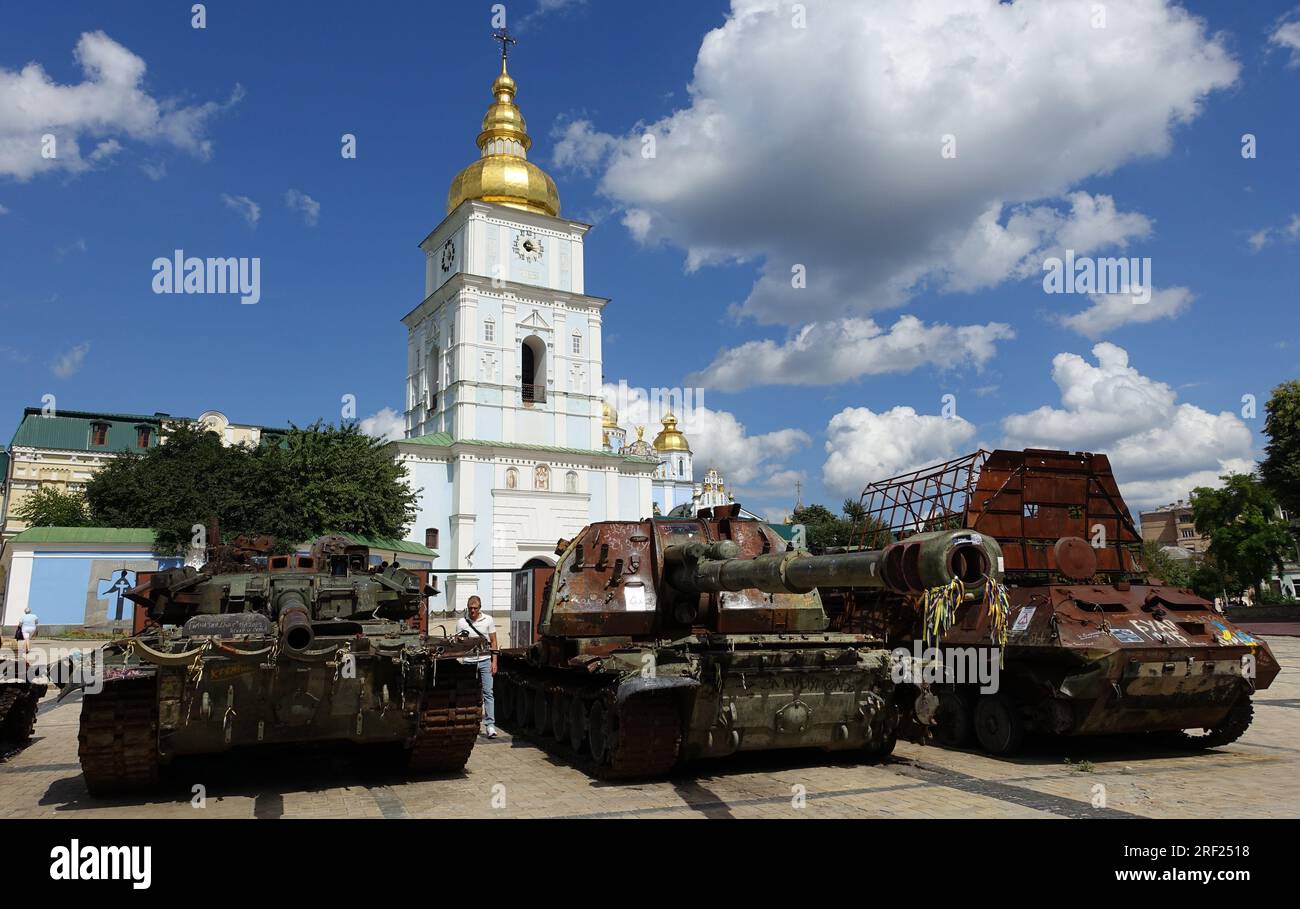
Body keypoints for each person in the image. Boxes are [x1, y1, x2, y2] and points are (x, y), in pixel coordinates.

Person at [456, 596, 498, 738]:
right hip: (469, 661)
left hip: (485, 660)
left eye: (475, 608)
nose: (473, 611)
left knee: (488, 693)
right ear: (467, 608)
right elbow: (458, 643)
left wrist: (494, 662)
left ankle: (490, 725)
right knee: (468, 693)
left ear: (480, 608)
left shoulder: (488, 620)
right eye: (470, 608)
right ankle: (467, 722)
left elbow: (493, 641)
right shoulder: (461, 622)